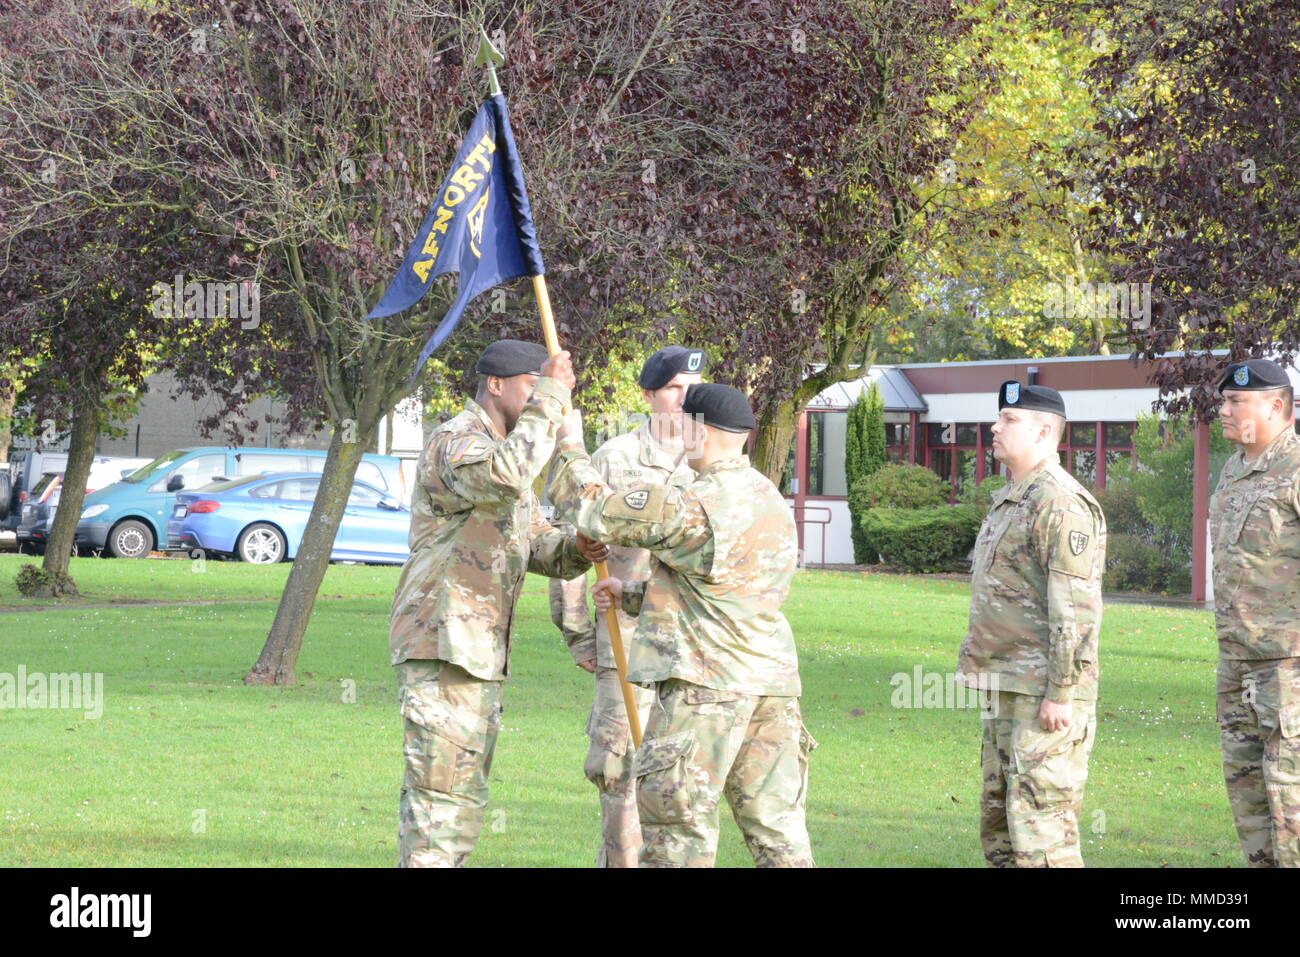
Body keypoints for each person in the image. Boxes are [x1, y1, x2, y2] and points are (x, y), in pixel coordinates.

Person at [549, 382, 816, 868]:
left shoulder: (694, 503)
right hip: (772, 687)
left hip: (706, 690)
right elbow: (724, 587)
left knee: (678, 829)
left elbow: (593, 510)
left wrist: (569, 441)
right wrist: (632, 595)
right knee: (778, 832)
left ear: (701, 431)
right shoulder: (769, 498)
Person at [389, 339, 606, 868]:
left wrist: (576, 549)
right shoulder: (457, 443)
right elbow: (508, 474)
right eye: (532, 385)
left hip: (477, 650)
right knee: (440, 803)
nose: (541, 399)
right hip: (444, 643)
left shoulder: (505, 451)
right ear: (495, 385)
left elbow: (532, 544)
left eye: (542, 386)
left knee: (461, 800)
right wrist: (555, 392)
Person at [548, 345, 704, 867]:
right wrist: (577, 633)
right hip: (627, 641)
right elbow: (576, 541)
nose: (686, 400)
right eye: (674, 390)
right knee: (618, 768)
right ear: (648, 396)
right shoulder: (614, 457)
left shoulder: (712, 459)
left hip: (692, 646)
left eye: (692, 389)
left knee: (682, 771)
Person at [955, 380, 1107, 867]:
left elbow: (1075, 608)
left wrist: (1061, 691)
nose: (995, 428)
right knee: (1001, 830)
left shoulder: (1059, 503)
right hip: (1008, 684)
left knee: (1042, 833)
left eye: (1009, 420)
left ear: (1044, 432)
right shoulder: (1013, 497)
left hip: (1044, 695)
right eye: (999, 417)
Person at [1209, 357, 1300, 867]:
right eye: (1224, 399)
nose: (1222, 409)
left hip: (1288, 669)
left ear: (1275, 405)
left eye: (1234, 400)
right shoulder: (1235, 469)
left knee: (1292, 808)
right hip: (1238, 665)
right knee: (1251, 807)